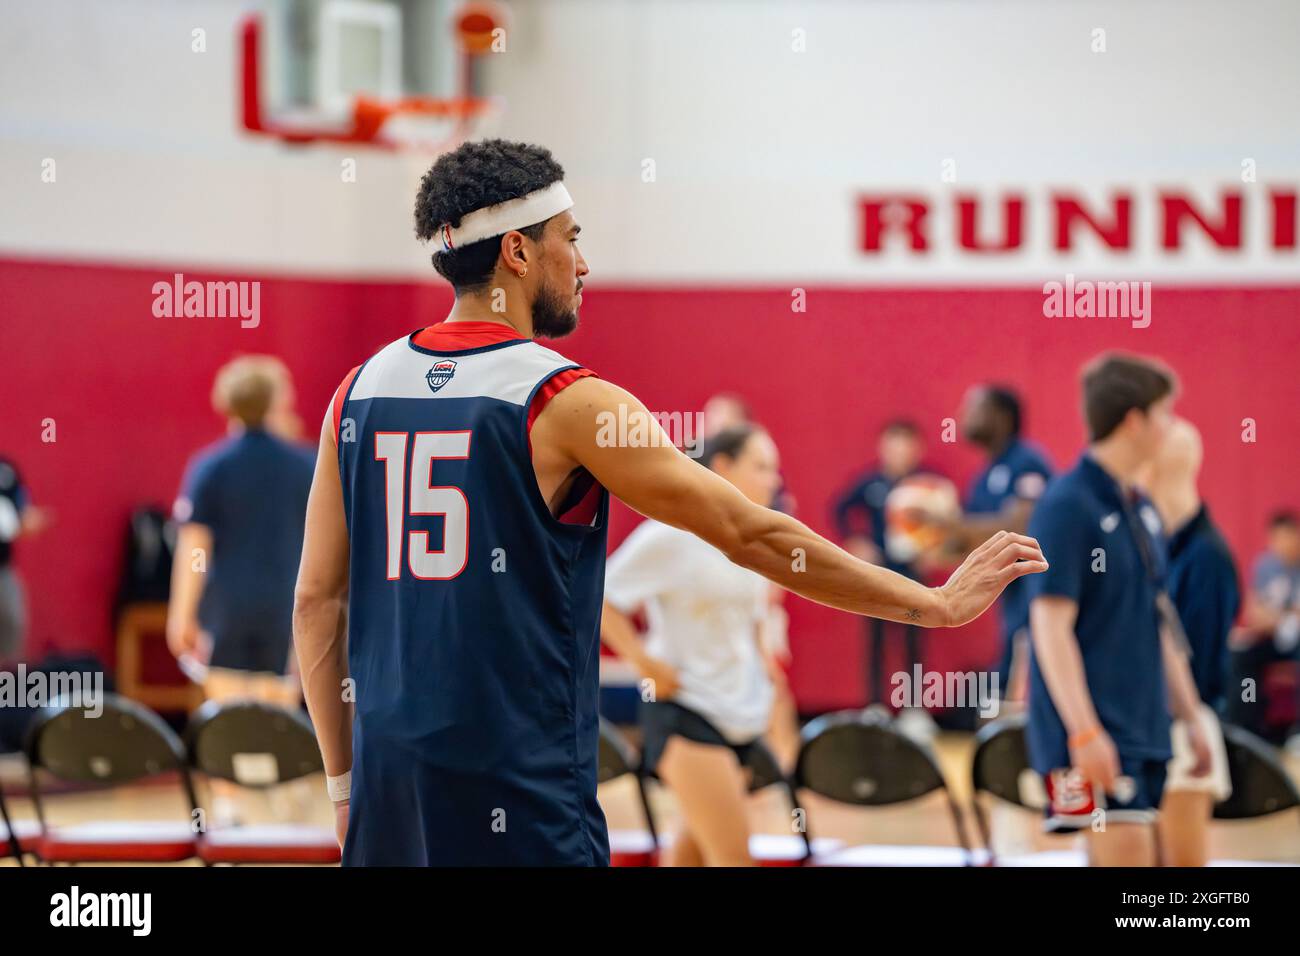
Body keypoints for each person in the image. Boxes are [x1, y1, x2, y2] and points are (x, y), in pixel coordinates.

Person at [291, 138, 1046, 867]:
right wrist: (934, 604)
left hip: (390, 788)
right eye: (569, 239)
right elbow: (747, 531)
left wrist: (343, 783)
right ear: (517, 253)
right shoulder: (563, 397)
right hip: (516, 786)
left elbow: (316, 601)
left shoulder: (356, 391)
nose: (583, 264)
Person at [1026, 353, 1210, 867]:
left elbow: (1156, 620)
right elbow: (1049, 627)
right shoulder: (1067, 505)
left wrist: (1191, 716)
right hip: (1090, 735)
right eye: (1165, 414)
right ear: (1135, 419)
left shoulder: (1142, 507)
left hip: (1143, 727)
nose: (1170, 426)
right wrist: (1084, 732)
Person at [601, 424, 782, 866]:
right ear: (723, 466)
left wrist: (764, 670)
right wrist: (645, 663)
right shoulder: (671, 534)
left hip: (737, 713)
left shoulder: (753, 538)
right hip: (686, 710)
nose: (774, 479)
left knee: (690, 855)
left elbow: (748, 622)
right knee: (734, 858)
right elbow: (600, 599)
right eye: (761, 467)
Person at [168, 356, 314, 707]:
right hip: (286, 609)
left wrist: (182, 613)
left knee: (227, 724)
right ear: (278, 401)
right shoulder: (307, 465)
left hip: (226, 611)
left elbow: (195, 550)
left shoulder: (211, 466)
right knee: (277, 724)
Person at [1135, 417, 1237, 866]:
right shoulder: (1158, 547)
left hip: (1181, 728)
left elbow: (1193, 666)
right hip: (1148, 727)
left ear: (1151, 471)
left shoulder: (1206, 559)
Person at [944, 386, 1053, 700]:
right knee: (1009, 675)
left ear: (1002, 418)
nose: (963, 417)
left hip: (1043, 585)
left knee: (1031, 671)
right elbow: (970, 539)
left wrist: (947, 523)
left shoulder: (1027, 461)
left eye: (975, 408)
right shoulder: (984, 477)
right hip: (1012, 593)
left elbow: (1019, 526)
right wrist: (927, 542)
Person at [833, 420, 933, 711]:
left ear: (917, 449)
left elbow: (946, 521)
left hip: (912, 574)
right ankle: (875, 705)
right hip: (877, 575)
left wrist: (932, 550)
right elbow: (839, 509)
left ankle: (914, 709)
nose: (899, 452)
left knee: (914, 641)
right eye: (893, 445)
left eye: (905, 445)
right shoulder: (870, 483)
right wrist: (857, 543)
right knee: (875, 641)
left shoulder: (925, 486)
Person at [1227, 510, 1300, 745]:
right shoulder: (1265, 566)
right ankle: (1249, 724)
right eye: (1275, 539)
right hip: (1270, 638)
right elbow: (1253, 613)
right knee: (1242, 658)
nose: (1281, 545)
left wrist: (1275, 617)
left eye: (1287, 537)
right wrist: (1281, 618)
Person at [0, 458, 52, 664]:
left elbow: (23, 510)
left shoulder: (7, 470)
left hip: (3, 568)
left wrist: (25, 522)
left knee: (13, 620)